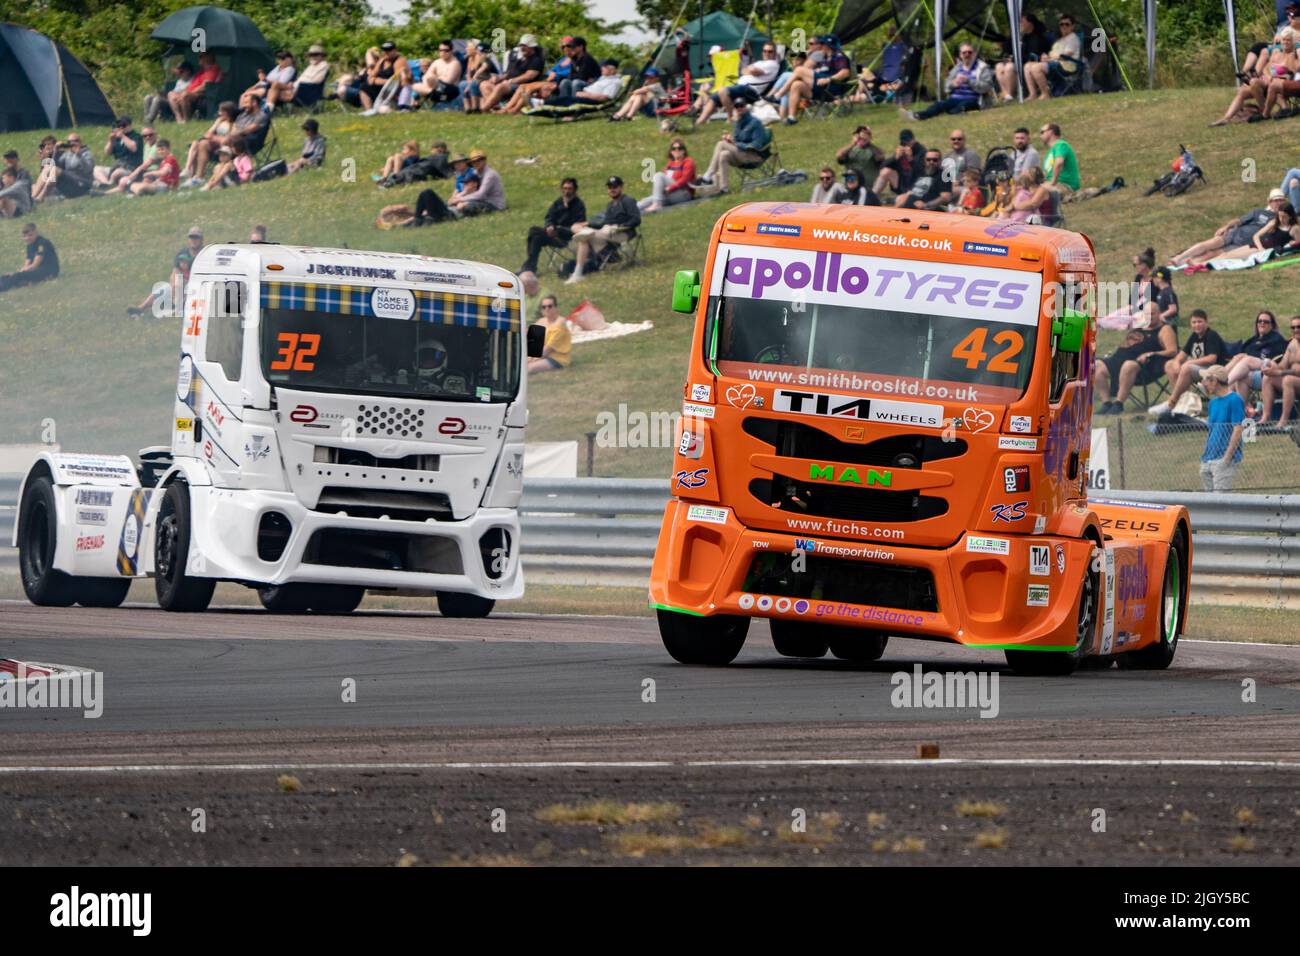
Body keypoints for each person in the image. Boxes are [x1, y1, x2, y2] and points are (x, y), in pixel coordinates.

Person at [1093, 302, 1178, 414]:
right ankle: (1106, 403)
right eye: (1147, 314)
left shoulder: (1164, 329)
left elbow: (1172, 351)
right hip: (1117, 362)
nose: (1149, 316)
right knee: (1096, 364)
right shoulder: (1140, 326)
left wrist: (1151, 354)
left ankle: (1118, 404)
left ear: (1159, 314)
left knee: (1128, 365)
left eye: (1152, 314)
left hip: (1143, 368)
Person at [1169, 189, 1286, 265]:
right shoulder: (1258, 212)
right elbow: (1239, 220)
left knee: (1214, 254)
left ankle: (1192, 263)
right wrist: (1225, 227)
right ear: (1270, 202)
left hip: (1242, 245)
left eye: (1281, 200)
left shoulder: (1283, 219)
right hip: (1235, 233)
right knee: (1208, 244)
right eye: (1276, 200)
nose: (1278, 203)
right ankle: (1179, 258)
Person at [1147, 310, 1227, 416]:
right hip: (1199, 371)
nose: (1197, 325)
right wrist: (1176, 363)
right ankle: (1183, 404)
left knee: (1187, 368)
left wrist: (1189, 362)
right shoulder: (1194, 336)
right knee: (1169, 365)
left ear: (1206, 323)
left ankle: (1171, 403)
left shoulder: (1211, 335)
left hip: (1214, 371)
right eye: (1194, 322)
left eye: (1200, 322)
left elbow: (1212, 358)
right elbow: (1182, 354)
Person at [1211, 28, 1297, 125]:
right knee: (1243, 91)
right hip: (1267, 81)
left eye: (1288, 40)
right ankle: (1226, 118)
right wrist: (1268, 76)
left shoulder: (1292, 56)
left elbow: (1291, 74)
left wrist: (1274, 79)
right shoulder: (1276, 53)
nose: (1285, 42)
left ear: (1293, 41)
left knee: (1253, 82)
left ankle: (1264, 112)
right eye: (1284, 39)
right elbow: (1266, 68)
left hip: (1279, 84)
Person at [567, 176, 641, 284]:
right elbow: (604, 223)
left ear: (621, 187)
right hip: (607, 233)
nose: (612, 189)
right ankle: (580, 271)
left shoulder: (628, 201)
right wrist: (588, 224)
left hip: (623, 233)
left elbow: (636, 219)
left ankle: (578, 273)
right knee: (577, 228)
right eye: (610, 187)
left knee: (584, 237)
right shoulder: (610, 205)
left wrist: (619, 226)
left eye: (615, 186)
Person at [691, 99, 771, 195]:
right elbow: (737, 140)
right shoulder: (738, 122)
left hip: (755, 156)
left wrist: (735, 144)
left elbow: (756, 145)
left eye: (742, 105)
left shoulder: (755, 123)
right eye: (737, 106)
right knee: (724, 154)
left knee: (721, 144)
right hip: (742, 155)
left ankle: (708, 176)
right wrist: (731, 139)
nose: (739, 108)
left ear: (746, 106)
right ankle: (724, 189)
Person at [695, 41, 781, 124]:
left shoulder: (773, 64)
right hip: (740, 87)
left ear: (775, 53)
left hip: (751, 90)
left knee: (722, 91)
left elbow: (753, 70)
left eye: (770, 51)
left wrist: (750, 69)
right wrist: (750, 70)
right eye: (764, 51)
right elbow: (744, 70)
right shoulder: (760, 62)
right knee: (713, 97)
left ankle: (730, 118)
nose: (766, 53)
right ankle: (700, 122)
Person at [129, 226, 203, 317]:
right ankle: (140, 308)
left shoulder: (204, 254)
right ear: (188, 239)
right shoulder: (182, 253)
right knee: (162, 288)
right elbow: (175, 272)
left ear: (201, 239)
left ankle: (175, 307)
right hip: (181, 286)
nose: (194, 240)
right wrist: (175, 285)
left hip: (196, 288)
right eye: (191, 237)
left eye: (196, 237)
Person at [906, 43, 992, 119]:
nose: (967, 55)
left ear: (974, 54)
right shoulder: (957, 68)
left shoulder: (982, 67)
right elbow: (947, 86)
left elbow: (987, 87)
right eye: (964, 53)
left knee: (963, 106)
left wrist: (969, 81)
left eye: (970, 52)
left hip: (973, 100)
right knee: (939, 105)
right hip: (954, 99)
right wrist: (953, 84)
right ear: (960, 55)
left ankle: (952, 113)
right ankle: (919, 115)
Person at [780, 35, 852, 124]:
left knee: (799, 70)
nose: (820, 46)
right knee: (796, 85)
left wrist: (829, 79)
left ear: (828, 46)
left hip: (832, 88)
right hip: (821, 88)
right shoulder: (825, 58)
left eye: (822, 44)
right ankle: (792, 118)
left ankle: (778, 95)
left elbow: (845, 73)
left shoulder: (839, 56)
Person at [523, 177, 587, 272]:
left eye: (569, 189)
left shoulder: (579, 205)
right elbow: (549, 217)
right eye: (564, 188)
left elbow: (579, 226)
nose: (566, 192)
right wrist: (549, 226)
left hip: (565, 237)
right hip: (552, 235)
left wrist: (558, 229)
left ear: (575, 190)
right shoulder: (558, 203)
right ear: (561, 189)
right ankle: (530, 268)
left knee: (533, 231)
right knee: (535, 237)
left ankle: (529, 267)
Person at [1198, 365, 1246, 492]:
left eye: (1205, 380)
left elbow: (1238, 428)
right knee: (1209, 503)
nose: (1203, 384)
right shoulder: (1213, 403)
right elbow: (1211, 431)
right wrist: (1205, 456)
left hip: (1223, 459)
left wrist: (1226, 458)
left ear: (1214, 381)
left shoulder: (1234, 400)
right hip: (1207, 458)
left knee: (1222, 502)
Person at [1225, 310, 1289, 404]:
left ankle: (1221, 384)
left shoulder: (1276, 339)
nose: (1262, 323)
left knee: (1246, 359)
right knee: (1240, 371)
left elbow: (1274, 359)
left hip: (1268, 372)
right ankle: (1240, 414)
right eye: (1260, 321)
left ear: (1272, 325)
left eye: (1266, 322)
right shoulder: (1253, 340)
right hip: (1251, 373)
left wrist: (1245, 357)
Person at [1023, 13, 1081, 99]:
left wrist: (1049, 58)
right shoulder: (1060, 40)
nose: (1064, 26)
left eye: (1067, 24)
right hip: (1055, 63)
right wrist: (1045, 57)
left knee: (1036, 68)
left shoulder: (1073, 38)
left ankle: (1045, 94)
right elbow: (1053, 54)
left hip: (1067, 65)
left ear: (1072, 26)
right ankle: (1033, 94)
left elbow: (1066, 55)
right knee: (1027, 66)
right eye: (1061, 24)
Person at [481, 35, 545, 112]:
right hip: (509, 83)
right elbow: (508, 73)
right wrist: (498, 78)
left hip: (522, 86)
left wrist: (510, 81)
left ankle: (483, 109)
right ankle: (495, 108)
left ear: (532, 47)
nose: (521, 48)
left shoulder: (536, 60)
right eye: (520, 45)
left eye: (524, 46)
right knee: (484, 84)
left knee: (501, 87)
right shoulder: (520, 59)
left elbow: (529, 76)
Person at [180, 100, 238, 183]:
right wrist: (216, 137)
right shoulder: (219, 120)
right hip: (214, 143)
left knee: (203, 144)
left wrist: (214, 137)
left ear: (227, 112)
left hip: (223, 147)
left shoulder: (234, 124)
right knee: (195, 143)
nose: (219, 113)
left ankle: (199, 176)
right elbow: (208, 134)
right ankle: (188, 171)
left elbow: (229, 139)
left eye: (221, 111)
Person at [1256, 315, 1300, 425]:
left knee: (1288, 380)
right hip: (1295, 381)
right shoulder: (1292, 344)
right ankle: (1265, 417)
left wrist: (1278, 372)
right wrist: (1271, 367)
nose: (1296, 330)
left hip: (1294, 380)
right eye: (1293, 327)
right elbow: (1283, 365)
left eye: (1299, 327)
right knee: (1268, 378)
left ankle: (1284, 420)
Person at [996, 13, 1050, 101]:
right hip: (1020, 62)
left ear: (1030, 23)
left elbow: (1032, 55)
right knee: (999, 66)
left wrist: (1014, 59)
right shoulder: (1024, 36)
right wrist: (1012, 35)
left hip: (1030, 63)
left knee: (1009, 67)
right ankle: (1005, 94)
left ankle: (1010, 94)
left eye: (1022, 21)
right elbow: (1009, 49)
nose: (1020, 24)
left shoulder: (1037, 37)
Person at [1099, 247, 1156, 330]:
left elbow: (1153, 302)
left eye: (1135, 265)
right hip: (1134, 310)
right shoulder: (1139, 278)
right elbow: (1132, 300)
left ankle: (1102, 323)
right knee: (1119, 314)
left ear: (1144, 265)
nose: (1134, 267)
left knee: (1125, 320)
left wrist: (1134, 309)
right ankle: (1101, 322)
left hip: (1147, 313)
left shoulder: (1156, 280)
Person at [30, 133, 94, 202]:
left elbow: (88, 169)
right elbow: (52, 165)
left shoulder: (86, 153)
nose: (72, 143)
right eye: (69, 142)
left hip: (81, 185)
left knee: (54, 170)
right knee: (46, 170)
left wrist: (78, 155)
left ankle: (39, 198)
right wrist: (55, 151)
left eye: (75, 141)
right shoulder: (67, 154)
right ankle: (32, 198)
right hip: (69, 185)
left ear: (80, 142)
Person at [539, 59, 623, 108]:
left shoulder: (615, 82)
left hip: (592, 99)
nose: (602, 68)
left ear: (613, 70)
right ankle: (541, 103)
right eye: (603, 66)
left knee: (568, 100)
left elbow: (604, 97)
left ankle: (542, 104)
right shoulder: (604, 77)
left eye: (605, 67)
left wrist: (586, 95)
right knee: (567, 97)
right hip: (585, 93)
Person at [638, 140, 695, 213]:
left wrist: (669, 188)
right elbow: (664, 179)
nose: (677, 150)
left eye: (679, 148)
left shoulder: (688, 161)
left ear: (684, 150)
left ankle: (657, 204)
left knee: (658, 175)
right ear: (671, 151)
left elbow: (685, 179)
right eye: (674, 149)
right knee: (646, 201)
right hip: (671, 193)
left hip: (684, 193)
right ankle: (627, 210)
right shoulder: (671, 163)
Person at [0, 223, 59, 292]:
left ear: (36, 233)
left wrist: (18, 273)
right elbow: (27, 264)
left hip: (49, 271)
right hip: (38, 269)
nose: (27, 238)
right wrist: (17, 272)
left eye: (30, 235)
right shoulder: (29, 245)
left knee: (18, 276)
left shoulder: (42, 243)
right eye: (25, 236)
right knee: (8, 276)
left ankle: (2, 288)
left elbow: (34, 265)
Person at [267, 44, 329, 111]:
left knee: (274, 90)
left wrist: (298, 86)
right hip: (297, 88)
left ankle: (268, 110)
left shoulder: (323, 65)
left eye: (316, 54)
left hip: (304, 92)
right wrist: (293, 83)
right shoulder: (311, 66)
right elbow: (301, 79)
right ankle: (268, 109)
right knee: (274, 88)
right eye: (311, 55)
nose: (313, 57)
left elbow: (317, 81)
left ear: (322, 56)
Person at [168, 52, 223, 123]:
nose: (199, 58)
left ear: (208, 58)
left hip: (201, 95)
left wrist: (187, 93)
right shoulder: (202, 70)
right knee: (171, 94)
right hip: (190, 92)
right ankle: (179, 118)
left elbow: (205, 86)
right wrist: (182, 93)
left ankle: (186, 120)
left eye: (201, 56)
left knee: (185, 96)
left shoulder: (213, 68)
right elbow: (191, 85)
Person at [873, 128, 926, 198]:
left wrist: (911, 159)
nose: (906, 145)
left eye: (908, 142)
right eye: (904, 143)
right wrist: (895, 158)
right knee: (885, 171)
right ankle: (872, 196)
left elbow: (921, 172)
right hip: (901, 183)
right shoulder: (901, 150)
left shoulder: (922, 151)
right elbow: (882, 166)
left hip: (914, 185)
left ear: (913, 140)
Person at [93, 116, 143, 189]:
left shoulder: (136, 136)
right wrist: (111, 141)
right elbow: (107, 153)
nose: (121, 128)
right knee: (96, 169)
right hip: (116, 166)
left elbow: (134, 148)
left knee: (117, 172)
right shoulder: (116, 139)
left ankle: (108, 184)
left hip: (131, 168)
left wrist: (122, 136)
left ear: (130, 125)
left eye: (124, 125)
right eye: (119, 126)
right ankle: (106, 183)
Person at [528, 294, 572, 374]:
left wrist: (533, 359)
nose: (547, 309)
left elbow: (548, 348)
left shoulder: (560, 323)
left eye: (550, 306)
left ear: (555, 307)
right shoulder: (540, 322)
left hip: (557, 358)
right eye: (544, 307)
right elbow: (533, 346)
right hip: (541, 355)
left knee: (529, 368)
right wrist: (530, 358)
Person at [835, 125, 884, 194]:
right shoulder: (850, 150)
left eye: (865, 133)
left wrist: (868, 143)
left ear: (870, 136)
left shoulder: (873, 150)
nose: (861, 136)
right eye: (859, 134)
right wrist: (853, 143)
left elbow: (881, 157)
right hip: (850, 186)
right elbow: (839, 156)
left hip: (868, 188)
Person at [413, 41, 463, 105]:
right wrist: (429, 83)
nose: (443, 52)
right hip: (435, 89)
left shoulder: (455, 63)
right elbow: (426, 76)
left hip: (449, 90)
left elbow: (448, 81)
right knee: (415, 86)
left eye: (446, 50)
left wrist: (434, 78)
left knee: (431, 79)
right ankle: (433, 95)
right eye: (440, 50)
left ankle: (431, 97)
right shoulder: (437, 62)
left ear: (451, 51)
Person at [1038, 122, 1079, 193]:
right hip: (1053, 184)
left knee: (1038, 193)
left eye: (1042, 132)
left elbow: (1059, 162)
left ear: (1051, 132)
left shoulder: (1061, 145)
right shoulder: (1050, 153)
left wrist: (1052, 183)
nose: (1040, 136)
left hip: (1065, 185)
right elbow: (1046, 174)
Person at [459, 40, 497, 113]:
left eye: (468, 47)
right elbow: (468, 74)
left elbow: (487, 70)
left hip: (483, 80)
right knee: (462, 84)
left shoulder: (482, 58)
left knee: (473, 84)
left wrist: (470, 84)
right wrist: (468, 83)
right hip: (475, 80)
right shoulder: (470, 59)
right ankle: (467, 108)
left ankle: (475, 107)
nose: (466, 49)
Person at [0, 150, 33, 218]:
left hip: (22, 205)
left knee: (3, 198)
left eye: (11, 158)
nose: (9, 160)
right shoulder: (6, 173)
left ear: (17, 159)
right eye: (7, 158)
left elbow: (14, 189)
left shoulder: (24, 174)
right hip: (13, 202)